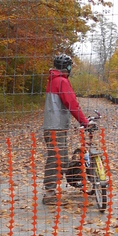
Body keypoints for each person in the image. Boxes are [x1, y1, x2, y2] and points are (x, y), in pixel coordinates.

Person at [42, 53, 90, 204]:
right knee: (57, 159)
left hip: (52, 126)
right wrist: (84, 121)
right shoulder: (62, 81)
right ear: (67, 67)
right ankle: (49, 194)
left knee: (58, 158)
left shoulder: (53, 80)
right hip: (56, 127)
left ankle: (74, 178)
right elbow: (72, 103)